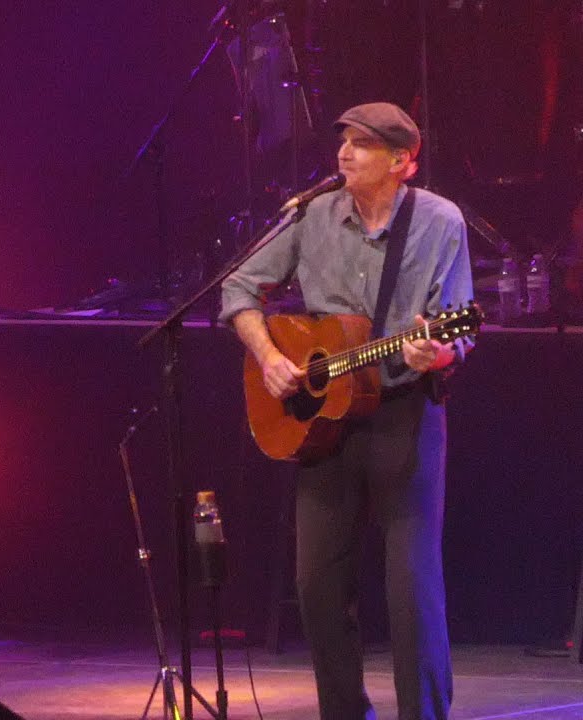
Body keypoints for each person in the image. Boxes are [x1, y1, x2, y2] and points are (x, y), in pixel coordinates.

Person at [221, 102, 474, 720]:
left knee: (411, 589)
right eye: (343, 141)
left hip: (403, 412)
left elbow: (460, 330)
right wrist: (269, 356)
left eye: (362, 144)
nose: (344, 153)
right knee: (317, 585)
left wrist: (436, 352)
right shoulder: (311, 214)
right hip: (325, 421)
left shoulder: (439, 221)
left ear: (401, 161)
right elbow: (237, 288)